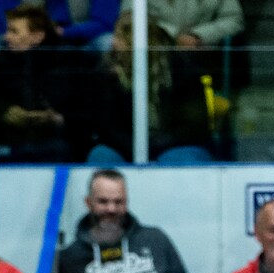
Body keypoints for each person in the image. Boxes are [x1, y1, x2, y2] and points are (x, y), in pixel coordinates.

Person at [57, 169, 201, 273]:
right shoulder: (70, 258)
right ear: (88, 203)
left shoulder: (155, 240)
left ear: (126, 203)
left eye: (119, 202)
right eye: (103, 201)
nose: (111, 209)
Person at [84, 12, 214, 164]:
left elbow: (195, 125)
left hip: (175, 145)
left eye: (120, 37)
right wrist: (137, 149)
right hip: (124, 147)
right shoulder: (107, 72)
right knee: (101, 156)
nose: (114, 43)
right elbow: (106, 126)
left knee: (183, 160)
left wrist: (156, 145)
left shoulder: (181, 67)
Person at [0, 3, 89, 162]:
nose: (6, 37)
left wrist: (58, 119)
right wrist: (5, 112)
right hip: (11, 140)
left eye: (14, 31)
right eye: (7, 30)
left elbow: (86, 113)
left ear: (37, 36)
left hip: (59, 143)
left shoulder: (69, 62)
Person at [0, 0, 118, 50]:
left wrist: (63, 32)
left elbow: (103, 23)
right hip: (43, 35)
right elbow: (7, 10)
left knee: (107, 43)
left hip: (87, 39)